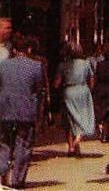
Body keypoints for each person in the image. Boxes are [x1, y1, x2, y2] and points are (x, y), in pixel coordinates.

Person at [0, 34, 46, 189]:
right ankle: (17, 180)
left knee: (4, 143)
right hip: (26, 110)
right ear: (29, 49)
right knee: (24, 144)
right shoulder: (36, 66)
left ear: (14, 50)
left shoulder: (3, 66)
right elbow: (39, 92)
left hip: (5, 109)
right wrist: (40, 114)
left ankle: (2, 174)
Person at [54, 42, 95, 156]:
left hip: (68, 91)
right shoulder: (86, 64)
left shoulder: (63, 65)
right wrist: (89, 91)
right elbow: (91, 80)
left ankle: (71, 147)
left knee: (69, 119)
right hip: (82, 90)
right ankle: (79, 137)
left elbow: (57, 83)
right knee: (83, 116)